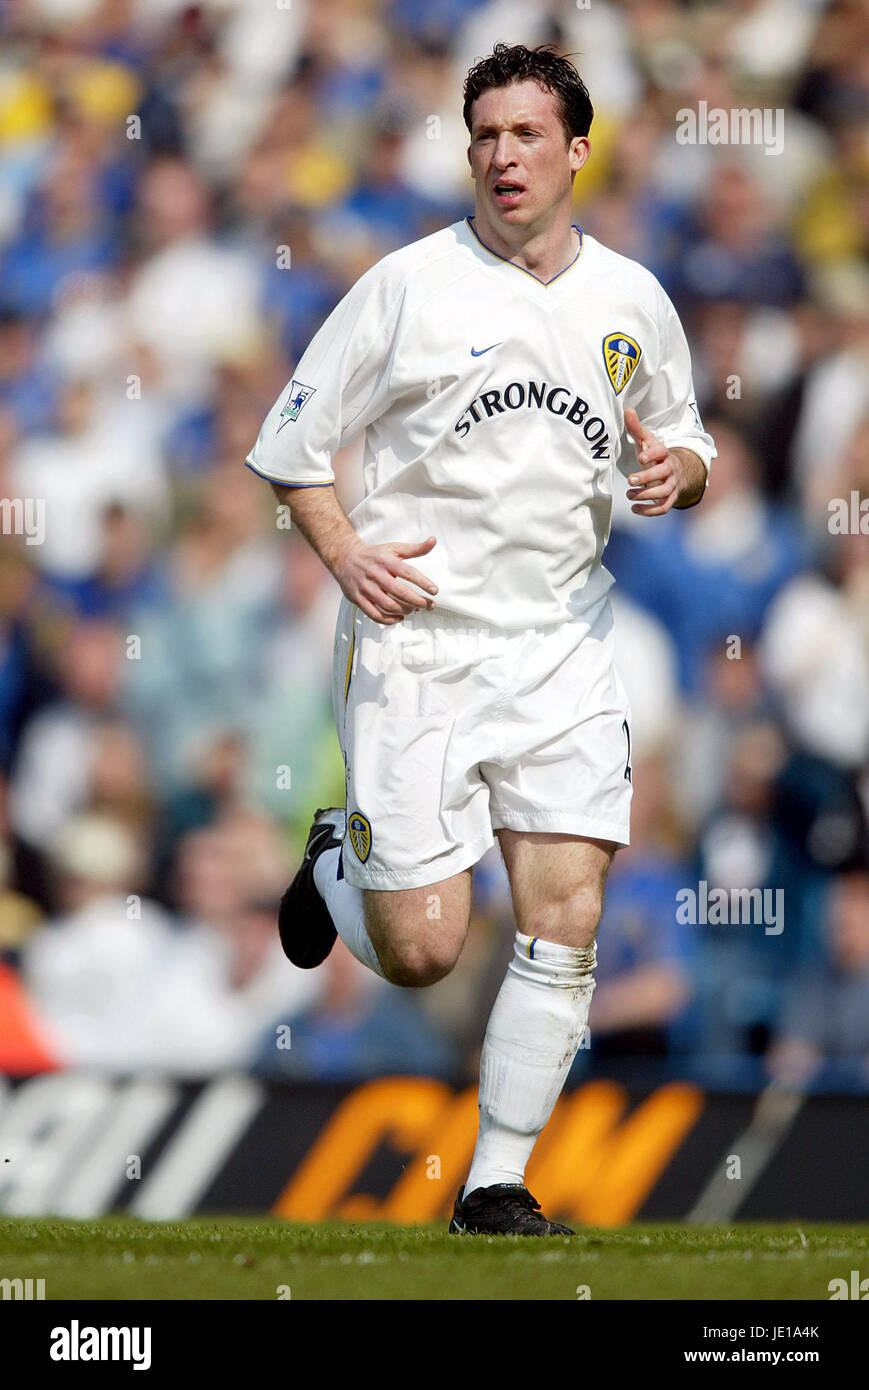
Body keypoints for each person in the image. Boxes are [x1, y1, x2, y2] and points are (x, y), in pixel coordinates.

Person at [245, 43, 715, 1235]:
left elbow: (686, 439)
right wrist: (347, 554)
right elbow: (291, 449)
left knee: (564, 915)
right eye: (483, 137)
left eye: (523, 135)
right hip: (421, 642)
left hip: (561, 640)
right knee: (421, 949)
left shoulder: (630, 298)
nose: (502, 156)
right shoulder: (406, 285)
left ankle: (494, 1180)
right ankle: (335, 862)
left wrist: (678, 471)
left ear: (576, 150)